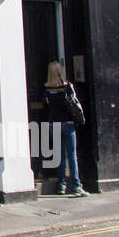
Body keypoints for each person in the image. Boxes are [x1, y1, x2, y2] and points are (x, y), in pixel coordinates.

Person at [44, 61, 87, 196]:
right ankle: (76, 186)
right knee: (72, 155)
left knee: (60, 156)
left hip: (53, 124)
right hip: (67, 123)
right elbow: (74, 102)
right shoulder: (67, 87)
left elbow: (46, 105)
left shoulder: (47, 89)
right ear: (59, 71)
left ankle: (61, 185)